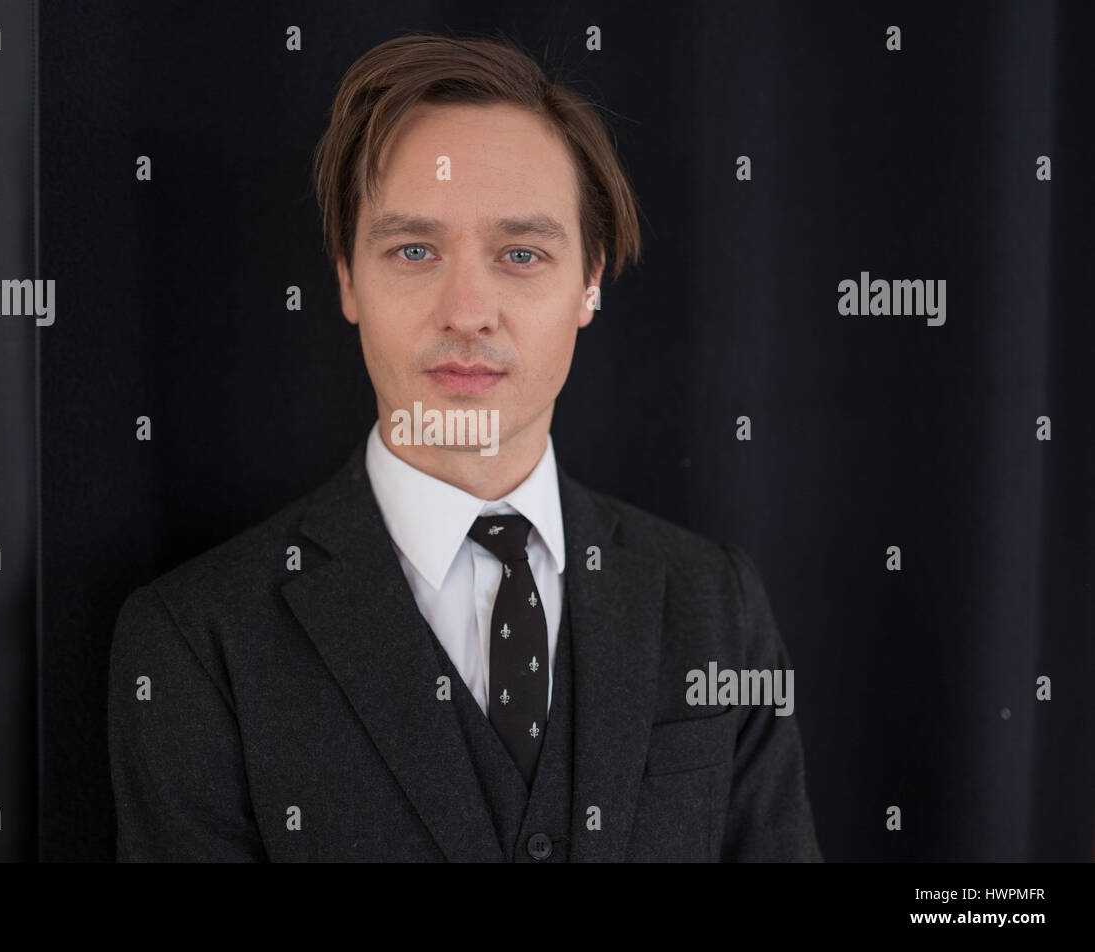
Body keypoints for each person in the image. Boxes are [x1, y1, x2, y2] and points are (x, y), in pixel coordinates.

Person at [108, 31, 823, 862]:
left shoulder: (716, 604)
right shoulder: (195, 640)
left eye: (522, 254)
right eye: (415, 250)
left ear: (591, 279)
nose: (468, 311)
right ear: (346, 279)